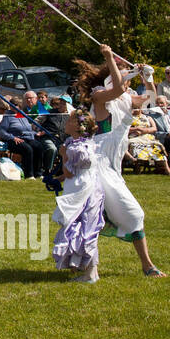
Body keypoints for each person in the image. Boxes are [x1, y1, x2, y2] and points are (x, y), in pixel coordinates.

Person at [72, 45, 165, 277]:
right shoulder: (99, 95)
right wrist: (109, 57)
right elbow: (114, 88)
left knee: (105, 216)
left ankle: (144, 266)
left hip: (112, 166)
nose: (127, 76)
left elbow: (151, 101)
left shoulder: (126, 98)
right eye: (123, 72)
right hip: (97, 165)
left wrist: (148, 77)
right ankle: (140, 266)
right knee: (130, 213)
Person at [51, 110, 105, 283]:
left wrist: (63, 154)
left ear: (76, 126)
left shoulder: (75, 148)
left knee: (82, 228)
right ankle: (91, 271)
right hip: (89, 187)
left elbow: (69, 173)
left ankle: (89, 273)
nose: (66, 122)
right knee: (87, 227)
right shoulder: (83, 144)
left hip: (80, 191)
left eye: (70, 120)